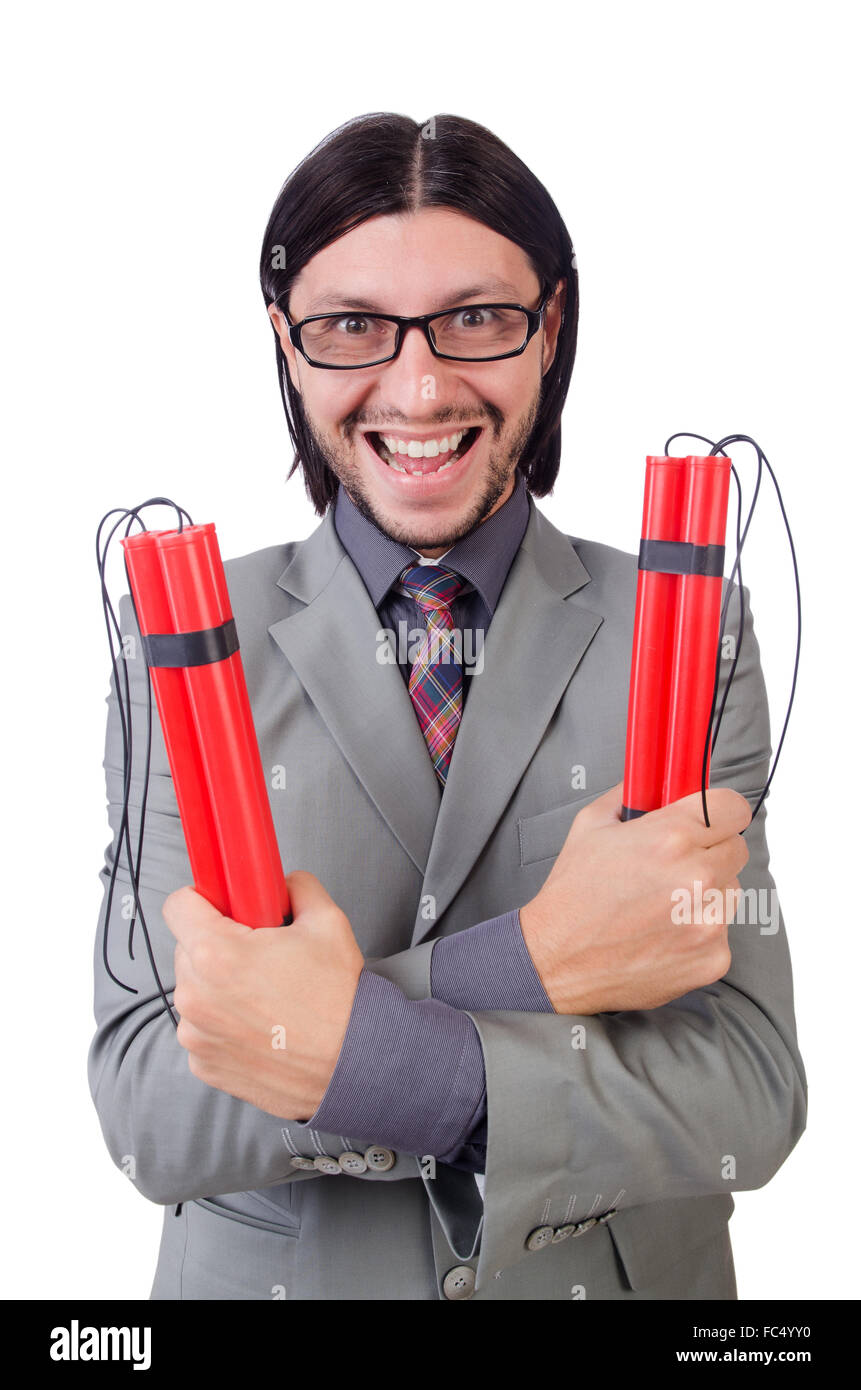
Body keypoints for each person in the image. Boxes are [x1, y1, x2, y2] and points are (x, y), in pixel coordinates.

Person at [88, 111, 807, 1301]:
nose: (418, 387)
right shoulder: (176, 642)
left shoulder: (682, 630)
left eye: (478, 318)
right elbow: (150, 1112)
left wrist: (339, 1037)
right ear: (287, 340)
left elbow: (748, 1085)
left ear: (551, 329)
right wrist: (535, 961)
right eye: (352, 325)